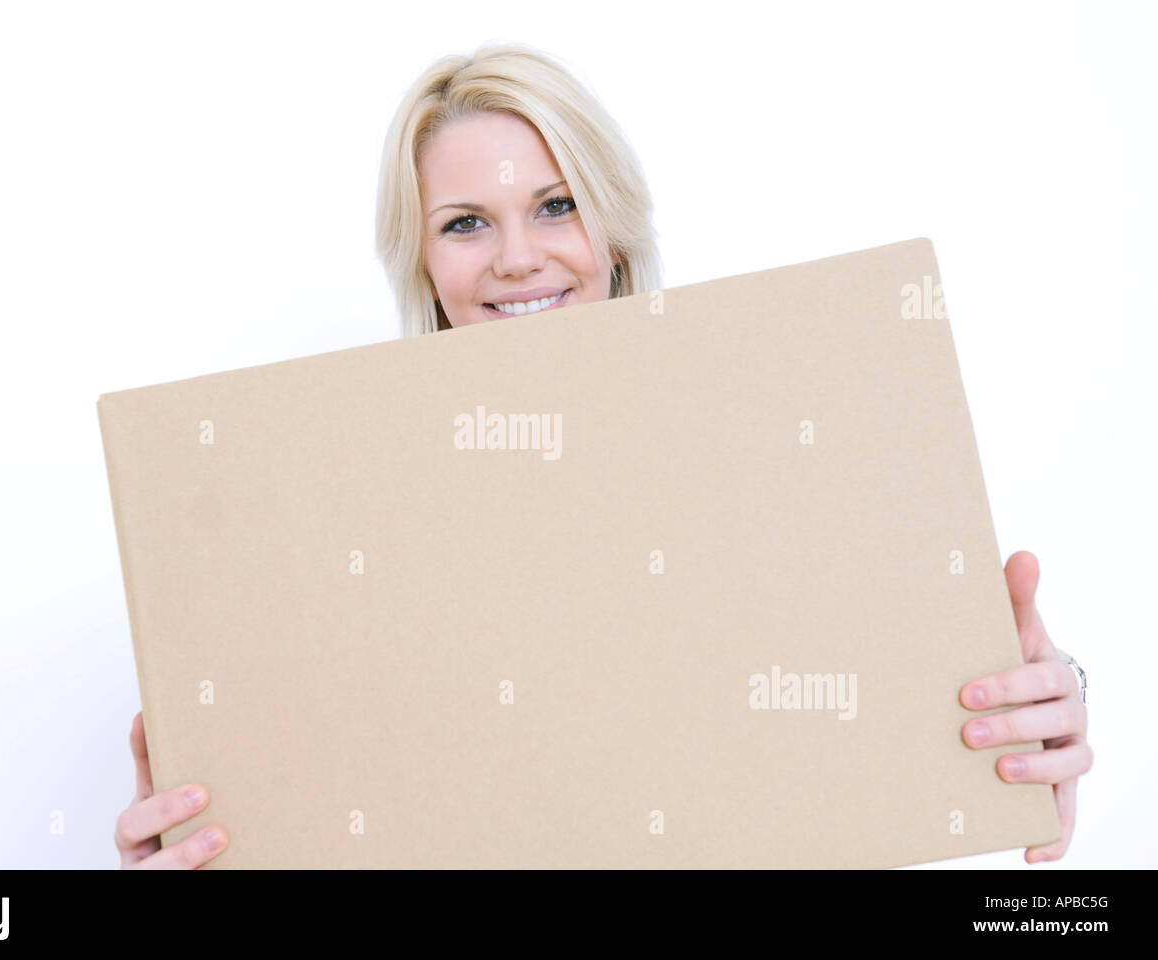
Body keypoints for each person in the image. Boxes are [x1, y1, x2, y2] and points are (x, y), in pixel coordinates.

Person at [115, 42, 1090, 868]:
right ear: (422, 262)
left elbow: (869, 682)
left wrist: (1038, 706)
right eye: (464, 224)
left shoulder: (778, 442)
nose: (516, 259)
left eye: (555, 205)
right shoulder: (333, 529)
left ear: (615, 231)